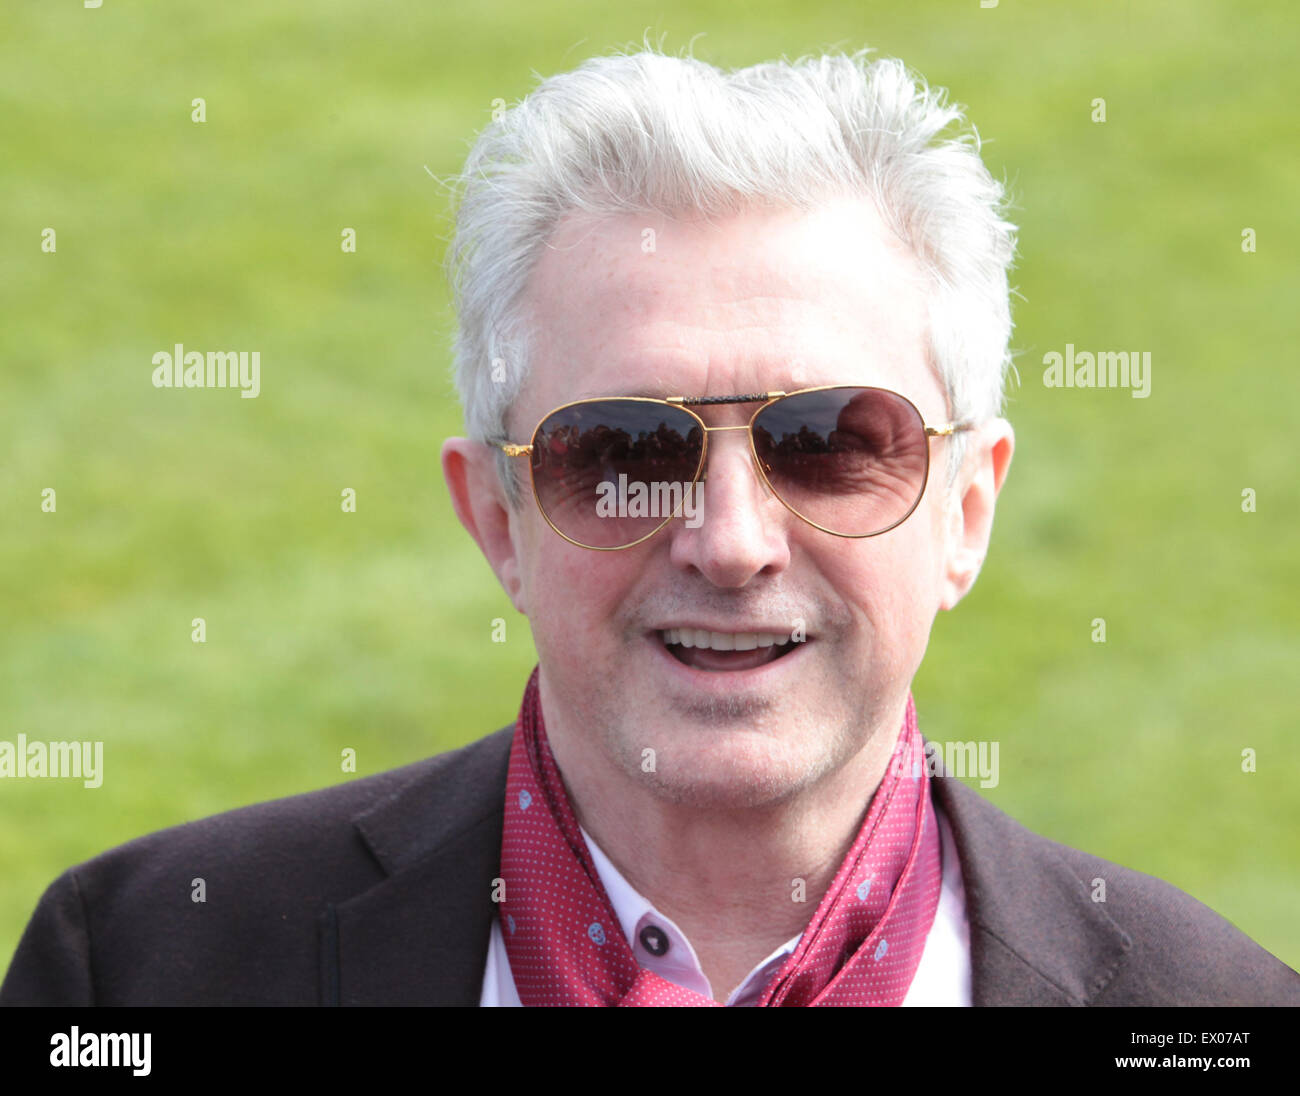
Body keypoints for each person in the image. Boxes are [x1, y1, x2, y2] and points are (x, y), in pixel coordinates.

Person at [3, 47, 1296, 1008]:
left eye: (833, 443)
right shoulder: (143, 969)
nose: (731, 542)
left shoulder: (1216, 1017)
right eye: (624, 451)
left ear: (966, 509)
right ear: (497, 518)